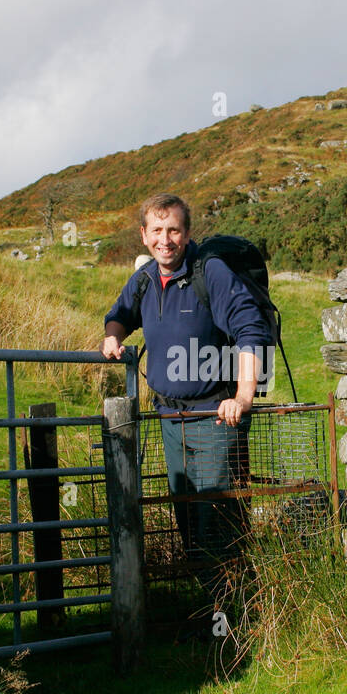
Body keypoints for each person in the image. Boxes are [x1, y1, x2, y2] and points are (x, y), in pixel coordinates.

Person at [101, 193, 271, 623]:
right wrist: (113, 336)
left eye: (174, 230)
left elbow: (250, 327)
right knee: (186, 520)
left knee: (217, 518)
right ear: (144, 235)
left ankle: (237, 615)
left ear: (187, 233)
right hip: (169, 418)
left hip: (216, 415)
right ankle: (211, 612)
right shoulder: (143, 280)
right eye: (156, 231)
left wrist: (244, 397)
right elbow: (119, 312)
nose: (165, 240)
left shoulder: (208, 272)